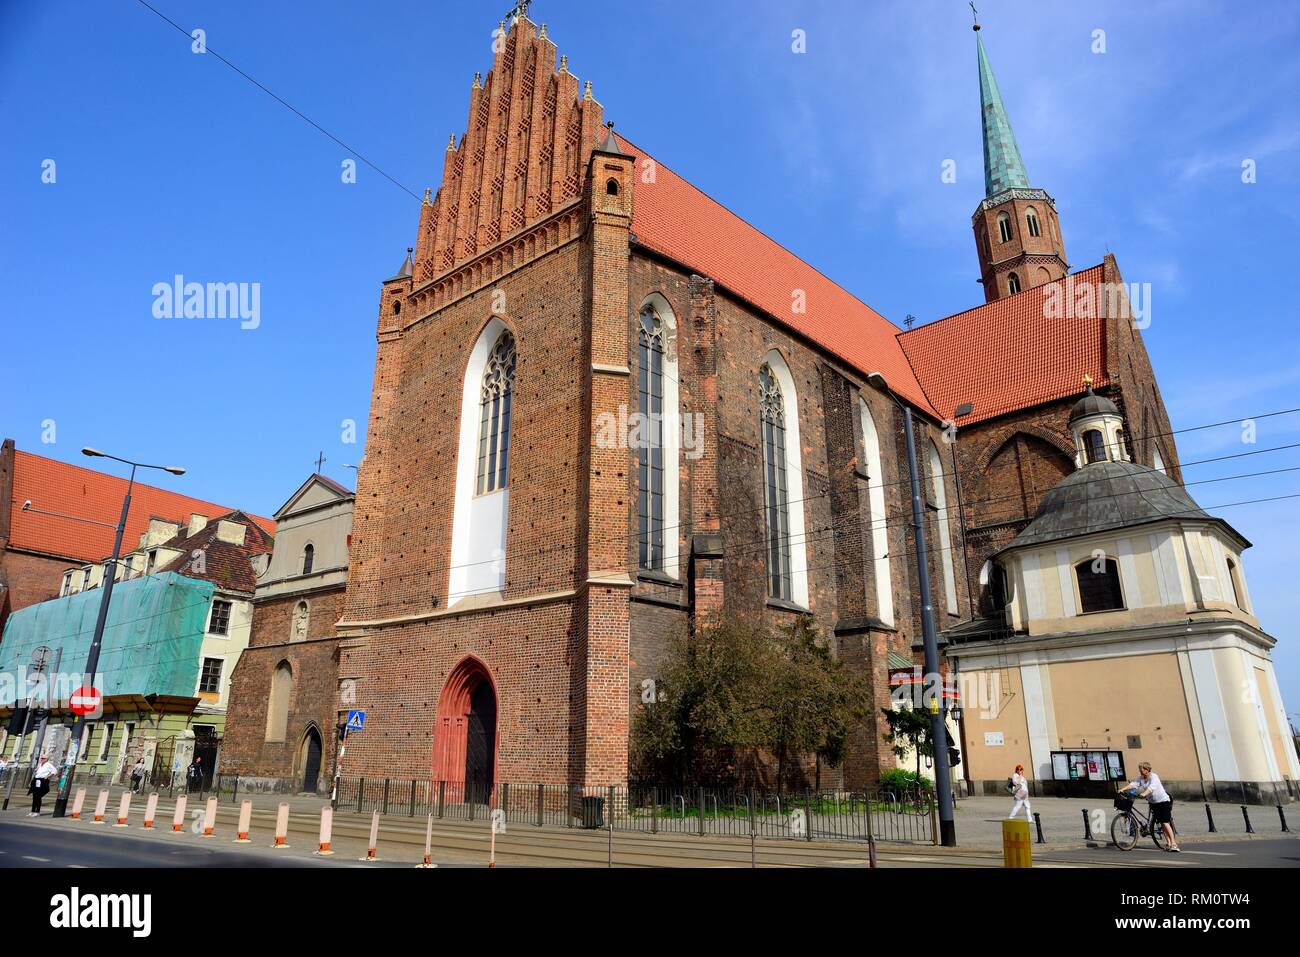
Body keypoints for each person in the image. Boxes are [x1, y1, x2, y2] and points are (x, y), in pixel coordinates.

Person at [1122, 761, 1180, 852]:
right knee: (1161, 822)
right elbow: (1133, 784)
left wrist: (1144, 793)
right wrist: (1122, 789)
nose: (1140, 771)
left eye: (1142, 769)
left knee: (1165, 822)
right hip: (1153, 803)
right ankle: (1168, 843)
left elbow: (1151, 788)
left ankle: (1174, 844)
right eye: (1140, 769)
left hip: (1163, 801)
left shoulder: (1154, 777)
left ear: (1147, 769)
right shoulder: (1141, 778)